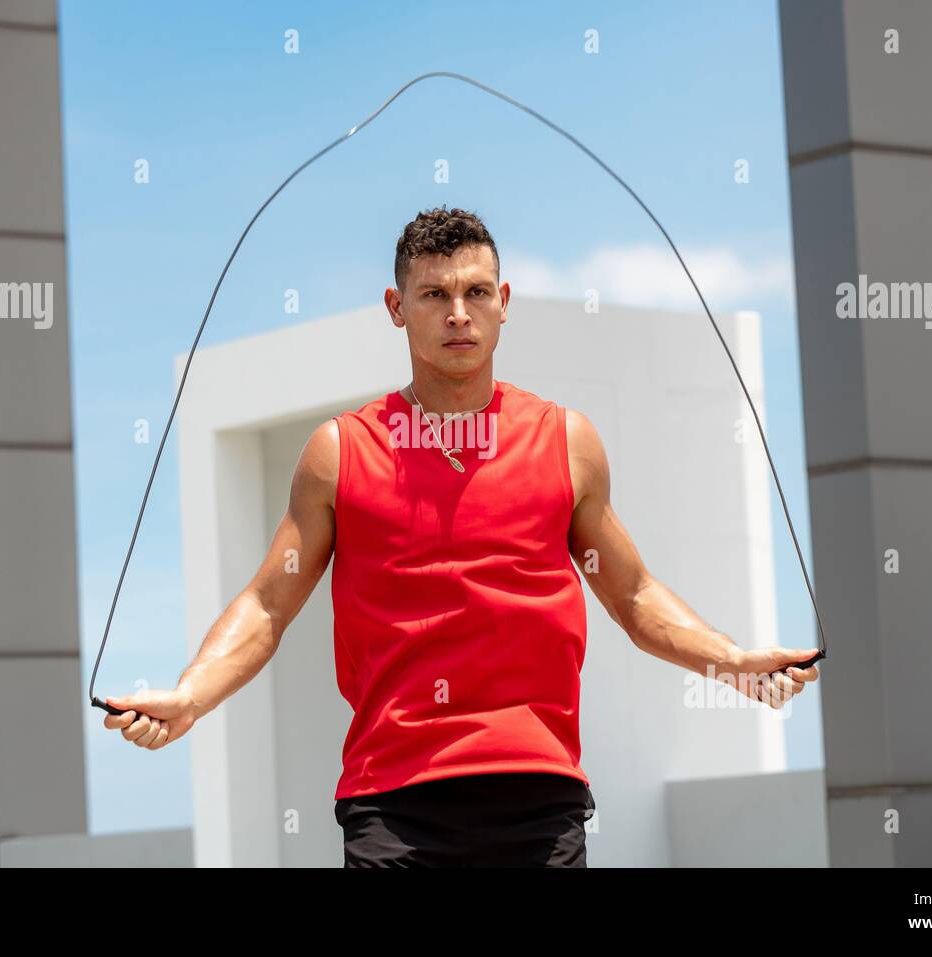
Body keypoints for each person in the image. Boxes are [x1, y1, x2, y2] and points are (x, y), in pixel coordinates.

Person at [102, 206, 820, 867]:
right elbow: (267, 605)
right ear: (396, 308)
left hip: (539, 798)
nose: (458, 314)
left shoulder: (566, 441)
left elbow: (632, 594)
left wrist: (733, 661)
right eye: (434, 294)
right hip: (395, 804)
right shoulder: (340, 452)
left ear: (504, 304)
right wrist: (191, 695)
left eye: (477, 292)